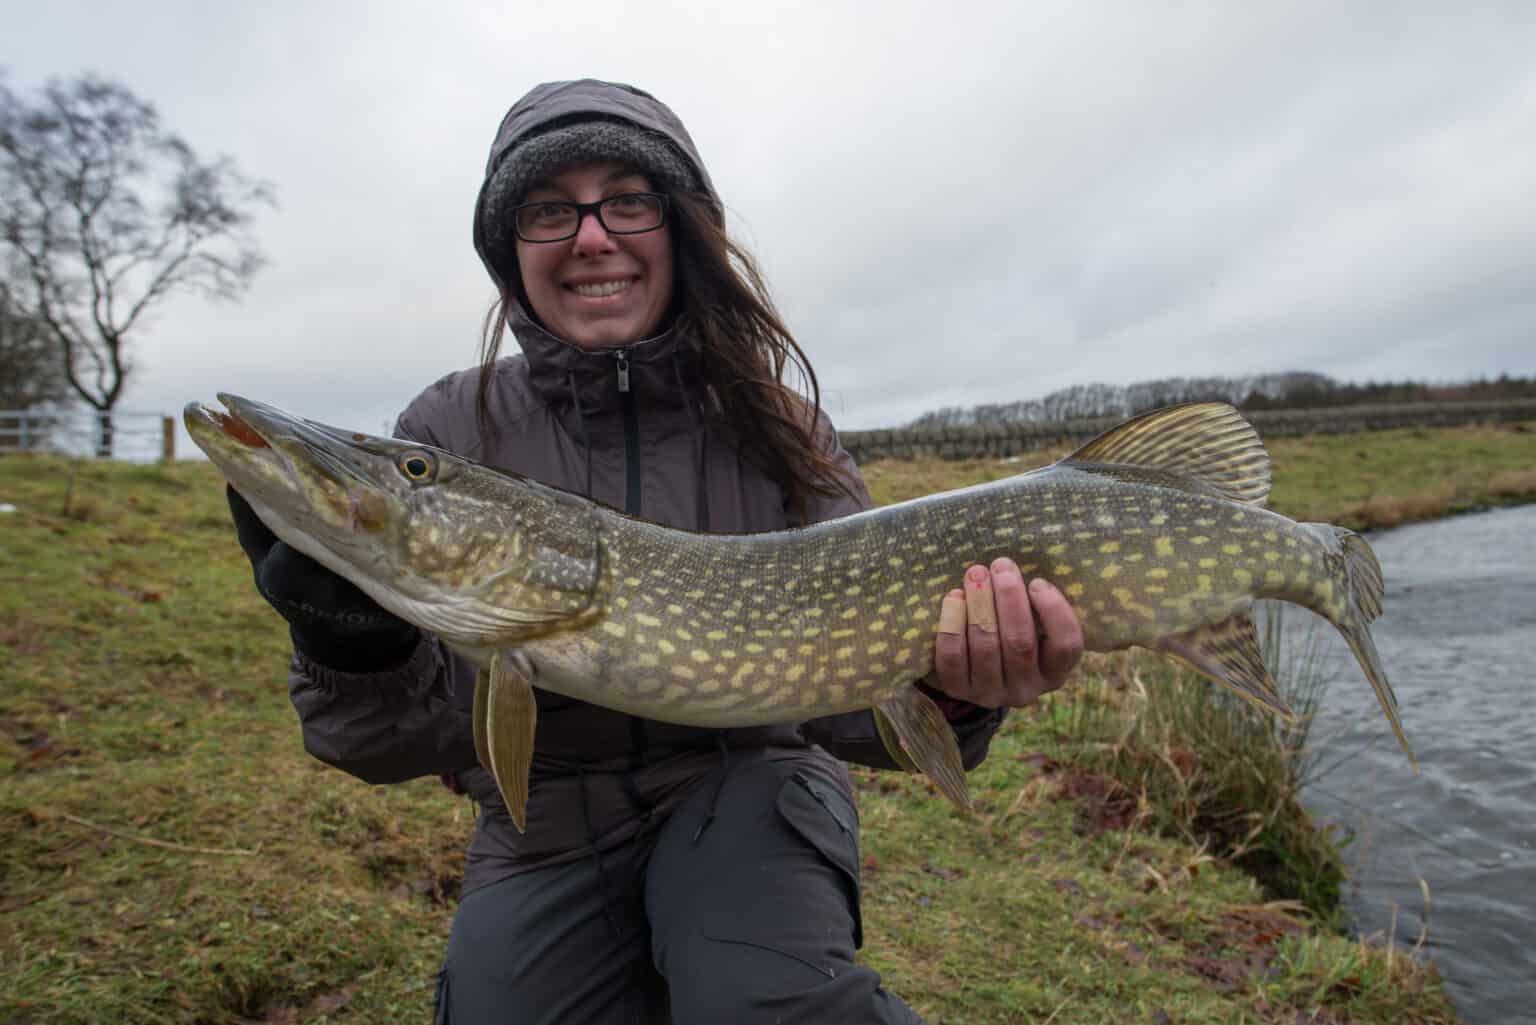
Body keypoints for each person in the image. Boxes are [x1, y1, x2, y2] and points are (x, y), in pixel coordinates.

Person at [228, 78, 1084, 1024]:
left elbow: (850, 715)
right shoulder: (449, 424)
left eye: (628, 199)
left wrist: (955, 690)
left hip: (756, 784)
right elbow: (390, 745)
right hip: (546, 819)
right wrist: (355, 649)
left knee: (766, 1006)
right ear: (512, 249)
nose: (592, 236)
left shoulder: (782, 429)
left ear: (680, 227)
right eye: (549, 210)